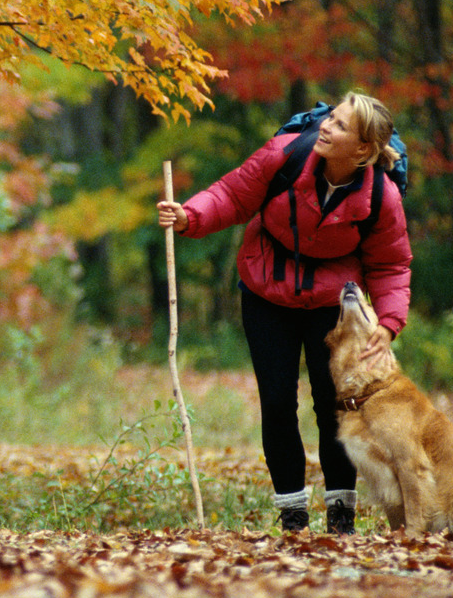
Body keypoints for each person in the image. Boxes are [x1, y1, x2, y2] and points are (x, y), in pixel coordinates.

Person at [157, 91, 411, 535]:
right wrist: (188, 216)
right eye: (330, 118)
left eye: (340, 125)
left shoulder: (380, 196)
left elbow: (390, 264)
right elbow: (231, 195)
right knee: (277, 403)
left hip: (332, 305)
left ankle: (341, 518)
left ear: (363, 150)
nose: (326, 126)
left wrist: (389, 323)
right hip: (266, 291)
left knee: (334, 407)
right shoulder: (285, 155)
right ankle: (293, 517)